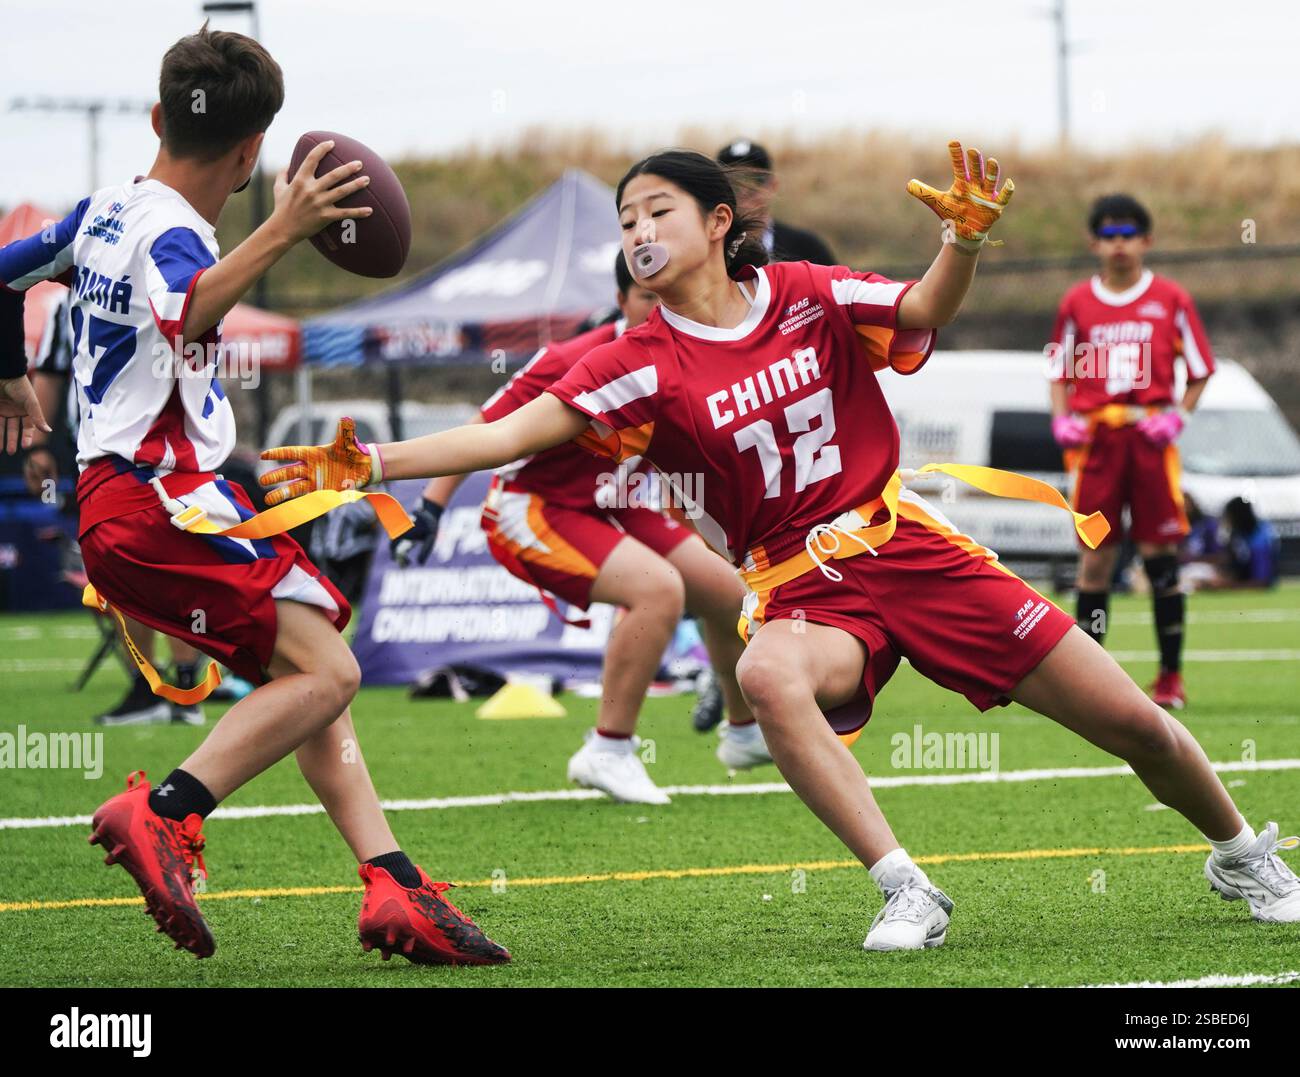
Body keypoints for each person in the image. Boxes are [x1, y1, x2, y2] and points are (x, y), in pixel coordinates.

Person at [261, 144, 1300, 951]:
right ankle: (907, 886)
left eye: (655, 209)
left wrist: (966, 240)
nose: (635, 229)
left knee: (1137, 727)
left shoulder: (805, 293)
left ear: (717, 222)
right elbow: (502, 435)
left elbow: (924, 308)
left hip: (909, 548)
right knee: (764, 668)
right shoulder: (633, 359)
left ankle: (1240, 854)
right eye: (623, 219)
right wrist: (369, 464)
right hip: (803, 589)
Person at [0, 25, 507, 965]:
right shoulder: (175, 233)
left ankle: (393, 881)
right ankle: (166, 811)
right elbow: (189, 305)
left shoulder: (100, 210)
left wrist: (9, 379)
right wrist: (286, 227)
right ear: (251, 154)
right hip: (163, 501)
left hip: (133, 502)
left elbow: (2, 273)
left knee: (309, 677)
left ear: (158, 117)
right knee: (334, 672)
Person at [391, 250, 769, 802]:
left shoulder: (692, 351)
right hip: (536, 507)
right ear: (620, 300)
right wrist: (429, 508)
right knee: (657, 591)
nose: (662, 305)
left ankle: (743, 732)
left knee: (731, 595)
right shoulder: (574, 357)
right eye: (648, 294)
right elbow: (485, 426)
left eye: (672, 290)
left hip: (616, 503)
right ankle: (608, 749)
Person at [1049, 194, 1216, 711]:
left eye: (1128, 235)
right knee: (1094, 559)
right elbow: (1059, 368)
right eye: (1109, 236)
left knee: (1160, 558)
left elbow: (1202, 367)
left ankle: (1170, 677)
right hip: (1099, 444)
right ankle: (1091, 683)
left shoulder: (1169, 298)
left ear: (1147, 241)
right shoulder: (1078, 302)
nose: (1119, 246)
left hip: (1148, 441)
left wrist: (1177, 415)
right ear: (1094, 243)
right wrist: (1062, 419)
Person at [23, 290, 208, 725]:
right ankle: (151, 687)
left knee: (179, 566)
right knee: (116, 570)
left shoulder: (163, 282)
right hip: (100, 456)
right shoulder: (64, 304)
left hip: (166, 450)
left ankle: (183, 685)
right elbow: (50, 373)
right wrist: (40, 446)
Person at [716, 139, 836, 265]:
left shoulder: (807, 247)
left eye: (756, 180)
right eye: (734, 182)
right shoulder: (711, 248)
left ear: (773, 186)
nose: (745, 190)